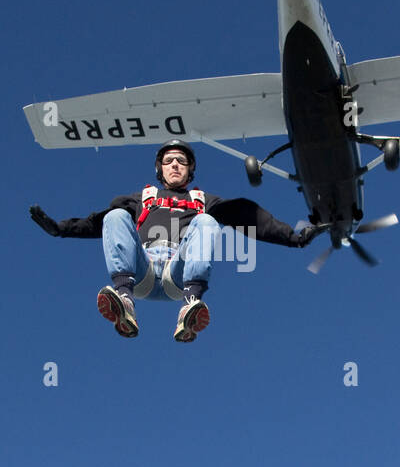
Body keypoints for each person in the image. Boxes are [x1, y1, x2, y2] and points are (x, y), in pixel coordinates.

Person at [30, 140, 315, 342]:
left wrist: (293, 237)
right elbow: (97, 222)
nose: (175, 165)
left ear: (191, 170)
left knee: (206, 221)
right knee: (115, 215)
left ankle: (190, 305)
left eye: (182, 161)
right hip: (141, 271)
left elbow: (248, 216)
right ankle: (124, 300)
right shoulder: (142, 198)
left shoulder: (203, 201)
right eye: (169, 161)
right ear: (160, 169)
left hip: (175, 276)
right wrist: (60, 228)